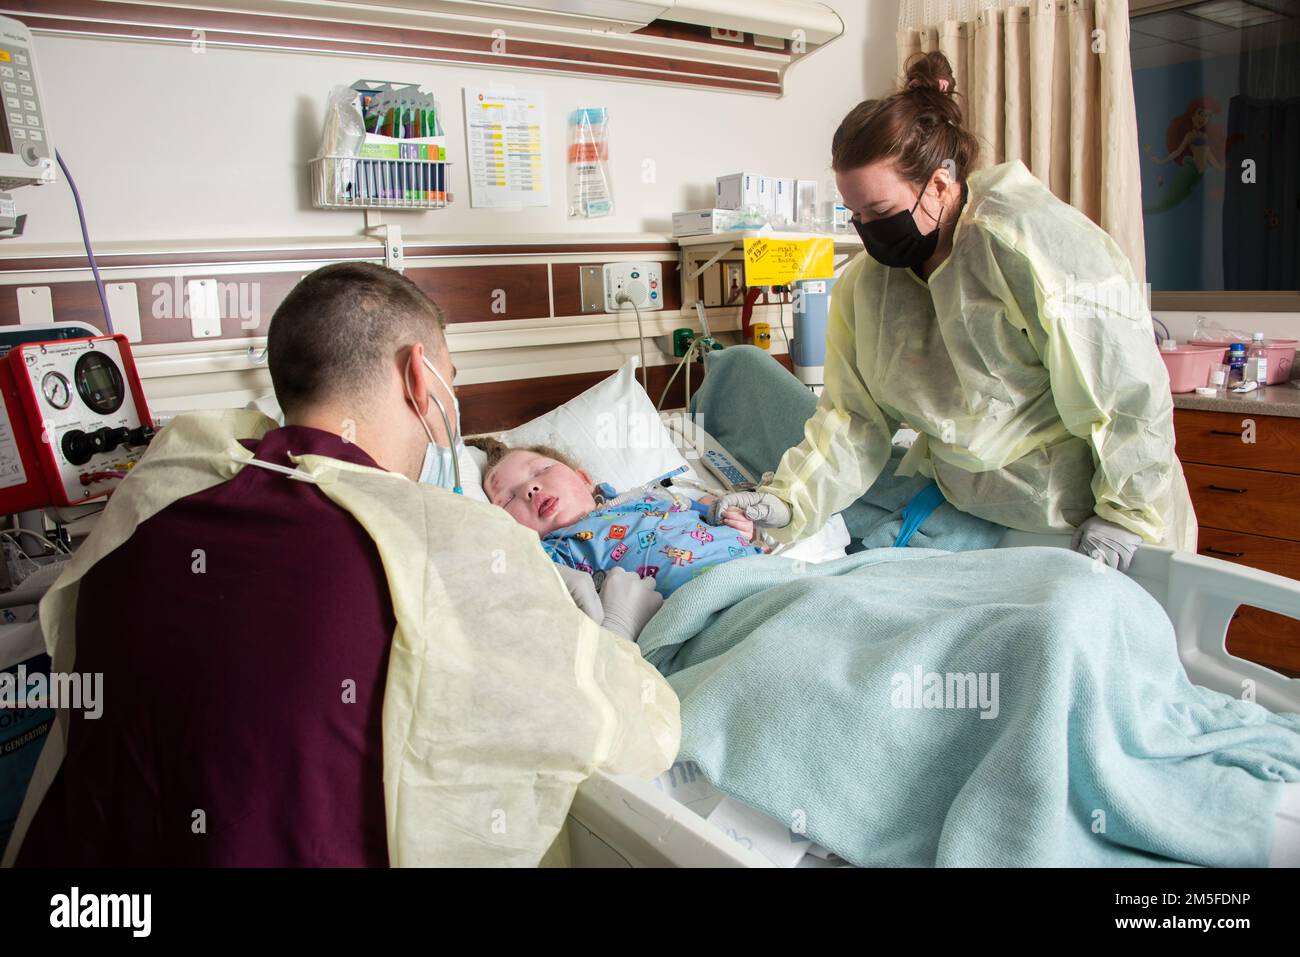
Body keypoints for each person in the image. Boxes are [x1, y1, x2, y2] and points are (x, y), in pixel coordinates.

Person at [3, 262, 678, 869]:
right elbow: (635, 726)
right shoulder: (454, 548)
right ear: (422, 375)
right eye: (453, 375)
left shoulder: (147, 507)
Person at [712, 51, 1196, 572]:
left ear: (940, 184)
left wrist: (1125, 516)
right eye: (854, 214)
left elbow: (1124, 393)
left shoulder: (1030, 246)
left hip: (1097, 523)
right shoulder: (866, 287)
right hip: (981, 524)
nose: (867, 229)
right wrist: (786, 502)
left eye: (880, 212)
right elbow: (853, 421)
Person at [472, 438, 762, 598]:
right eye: (508, 499)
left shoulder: (648, 497)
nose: (530, 489)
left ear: (583, 478)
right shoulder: (555, 553)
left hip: (758, 573)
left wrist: (737, 522)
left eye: (540, 471)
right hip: (699, 607)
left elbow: (710, 509)